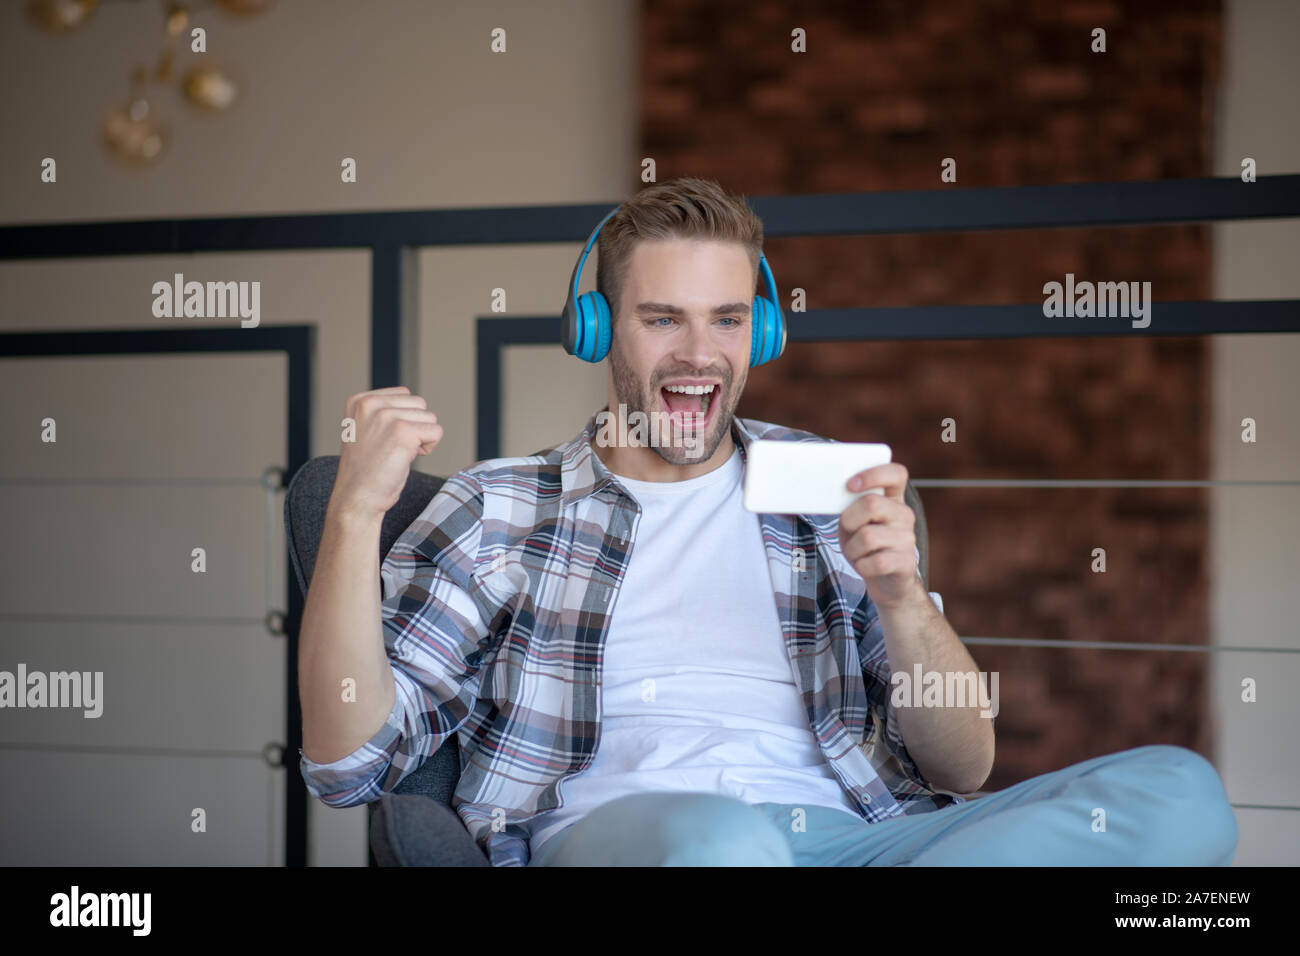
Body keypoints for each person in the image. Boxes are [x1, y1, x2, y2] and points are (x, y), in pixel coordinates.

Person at [297, 177, 1237, 867]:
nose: (700, 353)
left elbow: (965, 764)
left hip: (850, 842)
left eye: (727, 320)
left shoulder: (822, 486)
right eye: (662, 319)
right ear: (597, 328)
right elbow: (349, 763)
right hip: (630, 837)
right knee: (724, 845)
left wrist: (905, 599)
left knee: (1179, 796)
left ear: (764, 331)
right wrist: (354, 514)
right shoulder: (501, 506)